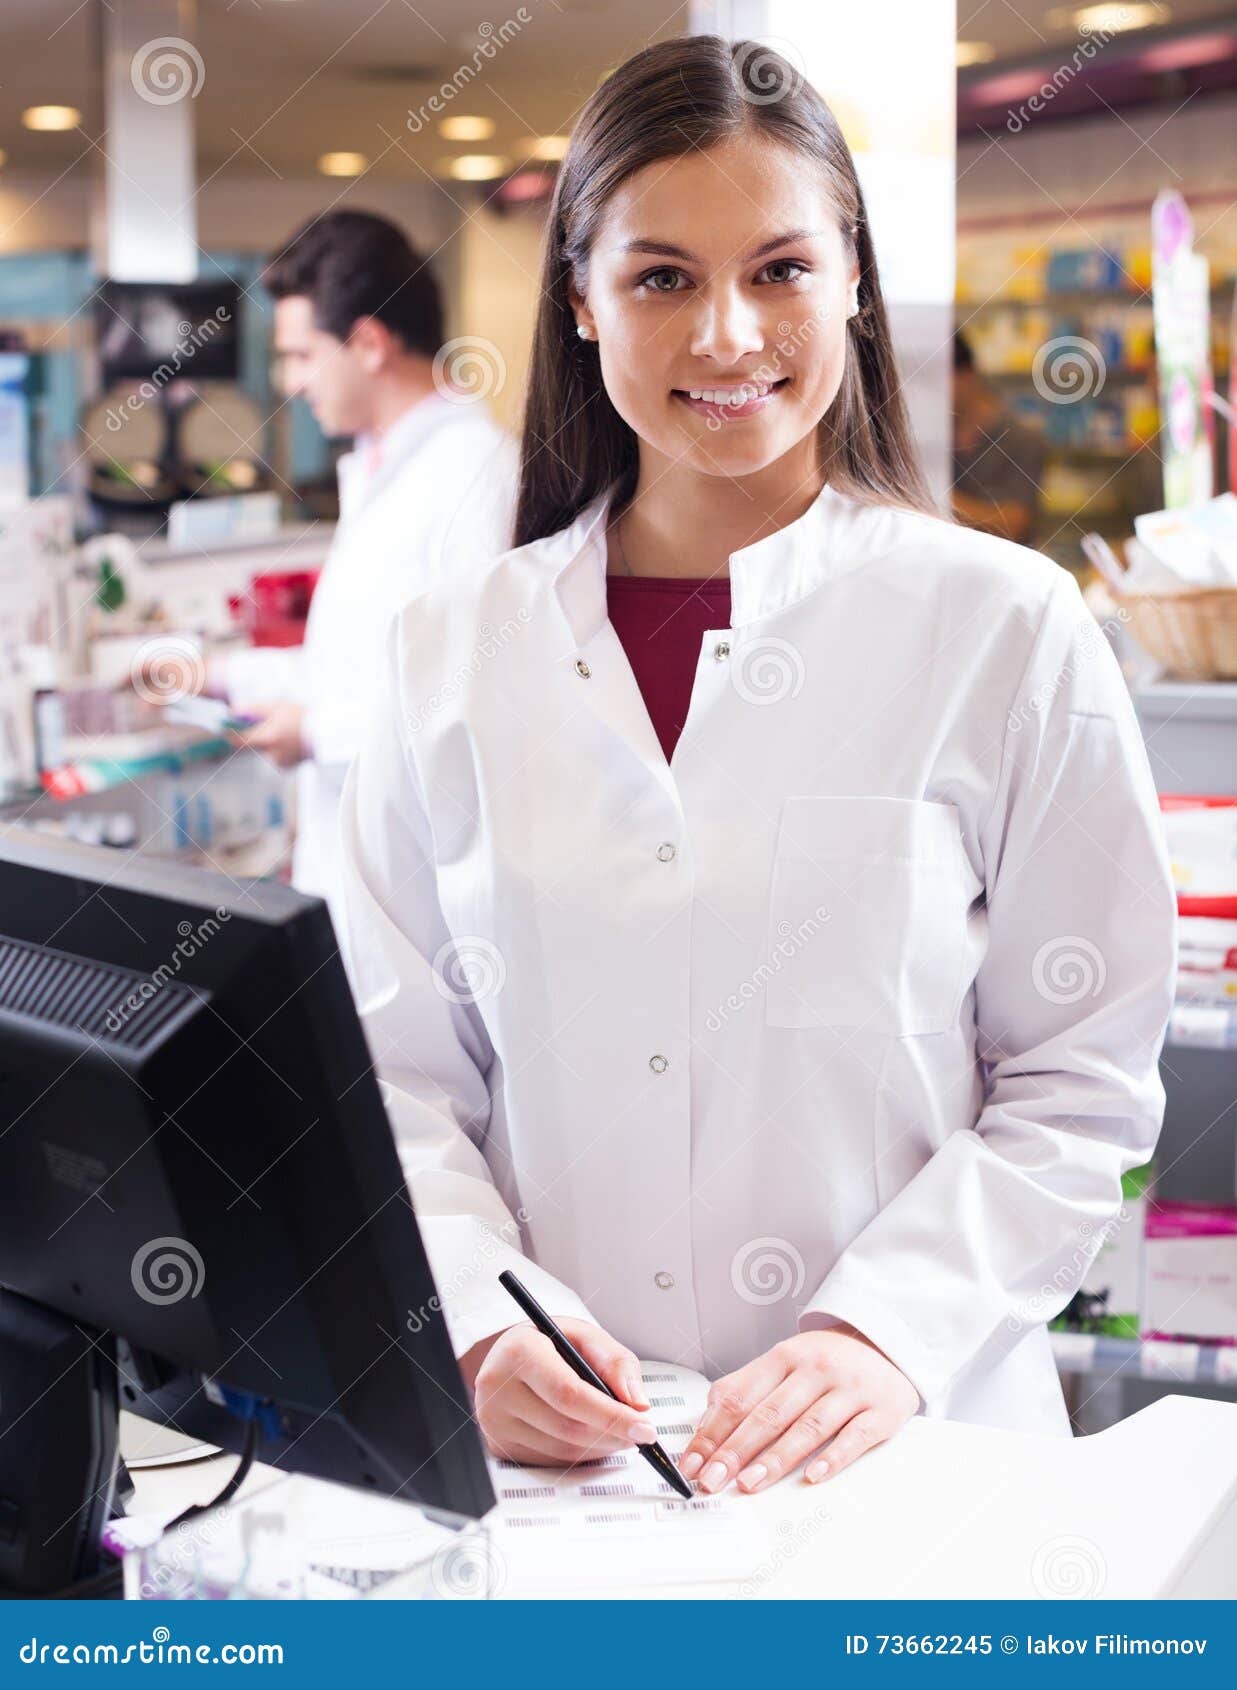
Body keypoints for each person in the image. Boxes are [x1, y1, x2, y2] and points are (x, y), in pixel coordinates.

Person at [341, 39, 1175, 1494]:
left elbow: (1080, 1076)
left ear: (851, 278)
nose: (727, 334)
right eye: (661, 277)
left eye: (779, 268)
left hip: (912, 1457)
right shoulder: (449, 654)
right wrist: (478, 1322)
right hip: (567, 1476)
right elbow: (390, 1079)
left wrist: (881, 1331)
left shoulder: (1003, 627)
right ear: (583, 306)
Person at [218, 210, 514, 940]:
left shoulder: (473, 476)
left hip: (422, 905)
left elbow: (478, 692)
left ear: (369, 344)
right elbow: (362, 671)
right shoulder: (385, 471)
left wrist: (319, 734)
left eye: (301, 355)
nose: (289, 382)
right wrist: (217, 677)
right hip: (353, 880)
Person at [951, 330, 1045, 544]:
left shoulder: (1022, 439)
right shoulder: (929, 438)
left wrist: (934, 498)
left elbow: (1013, 527)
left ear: (967, 375)